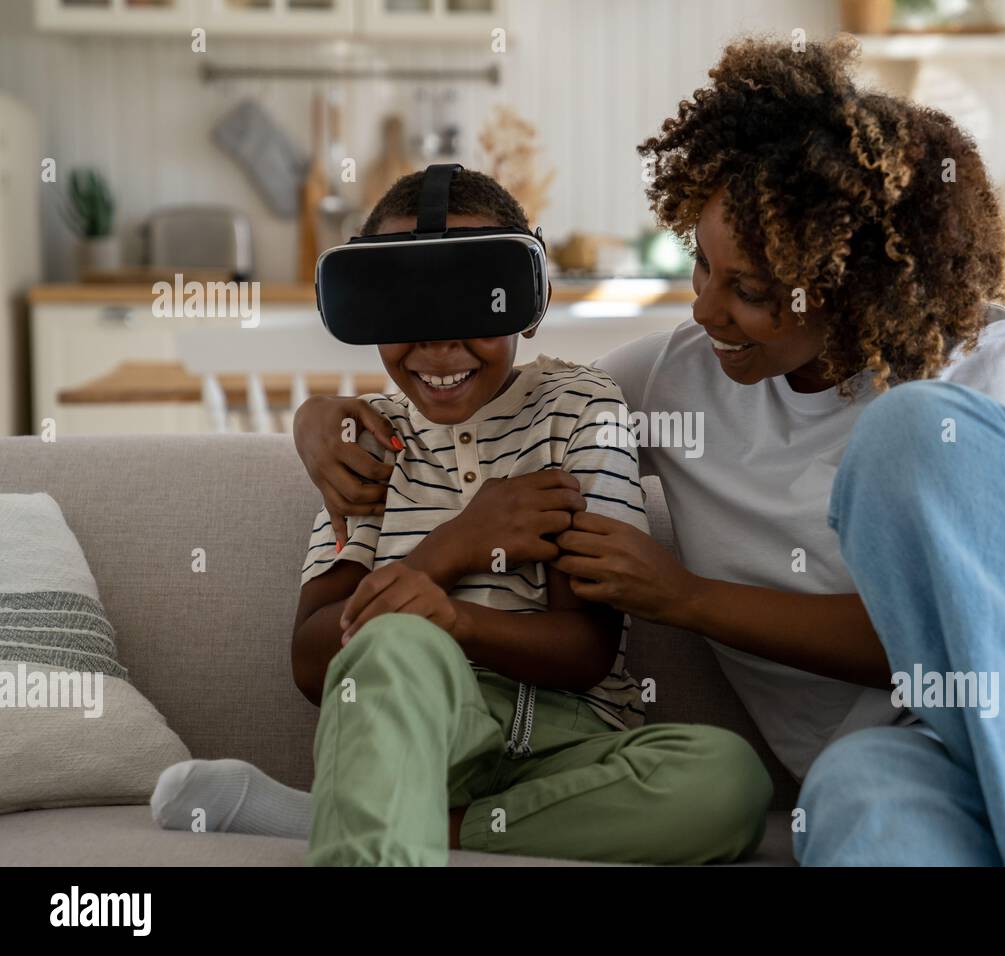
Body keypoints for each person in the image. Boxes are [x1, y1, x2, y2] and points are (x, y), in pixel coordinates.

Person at [291, 37, 1005, 866]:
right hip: (929, 765)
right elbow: (511, 400)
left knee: (909, 431)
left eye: (749, 290)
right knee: (841, 802)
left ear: (849, 292)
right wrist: (316, 418)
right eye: (699, 266)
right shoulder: (677, 378)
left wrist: (687, 598)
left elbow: (989, 623)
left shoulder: (981, 359)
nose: (704, 309)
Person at [150, 167, 772, 866]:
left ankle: (359, 821)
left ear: (526, 305)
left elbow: (587, 652)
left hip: (571, 748)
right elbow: (313, 661)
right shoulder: (363, 444)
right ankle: (391, 811)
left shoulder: (581, 411)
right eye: (408, 310)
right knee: (395, 644)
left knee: (728, 781)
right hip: (414, 733)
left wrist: (456, 619)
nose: (439, 346)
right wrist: (451, 549)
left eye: (472, 303)